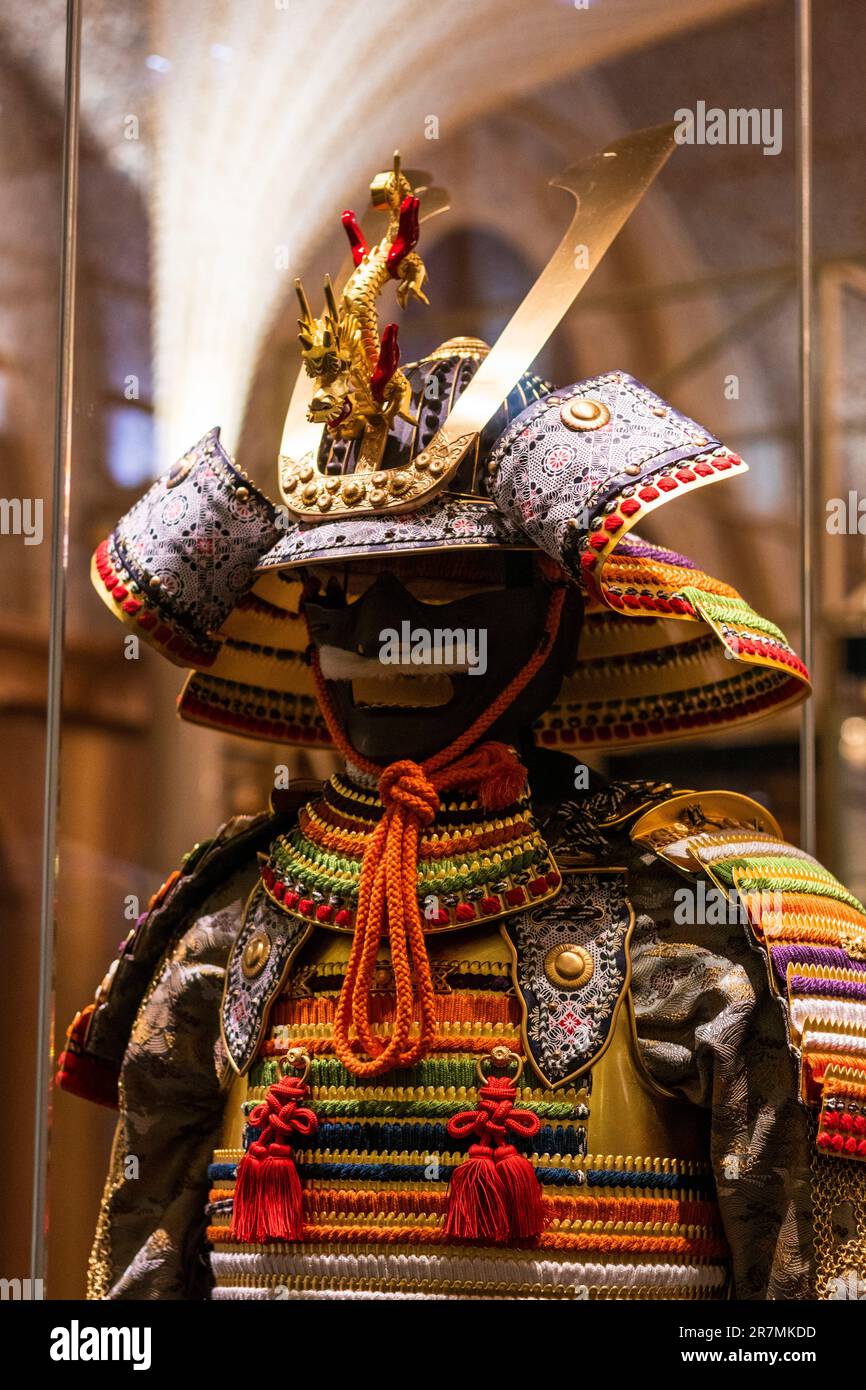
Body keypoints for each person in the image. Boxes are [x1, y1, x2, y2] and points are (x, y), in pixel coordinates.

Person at [59, 157, 866, 1303]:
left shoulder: (725, 924)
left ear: (553, 609)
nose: (380, 630)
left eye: (439, 583)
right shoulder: (225, 923)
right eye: (334, 596)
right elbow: (130, 1306)